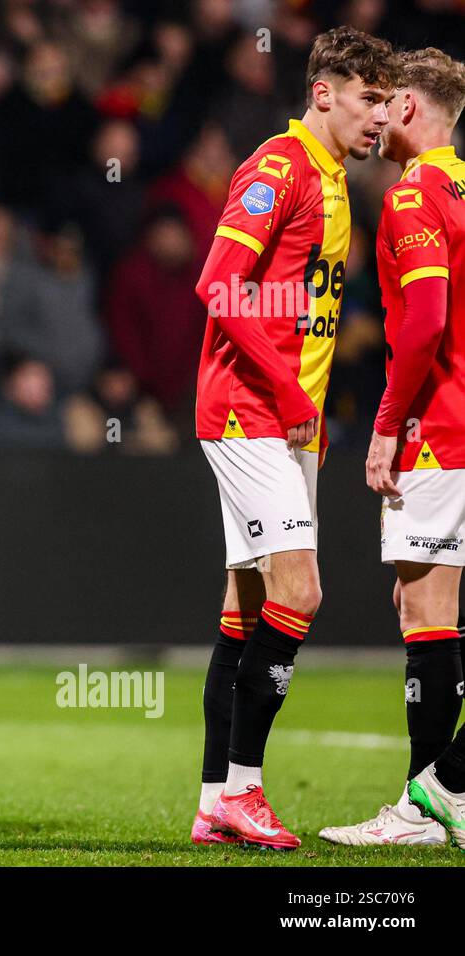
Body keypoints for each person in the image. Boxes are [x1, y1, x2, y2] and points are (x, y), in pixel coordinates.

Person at [190, 26, 400, 850]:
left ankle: (215, 800)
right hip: (249, 412)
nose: (379, 116)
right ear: (324, 92)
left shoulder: (336, 179)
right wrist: (284, 389)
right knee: (301, 591)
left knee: (243, 609)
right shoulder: (279, 167)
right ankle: (245, 788)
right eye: (368, 98)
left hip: (284, 419)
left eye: (386, 101)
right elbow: (217, 284)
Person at [319, 48, 465, 848]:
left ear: (410, 105)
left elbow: (427, 323)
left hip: (441, 429)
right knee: (441, 612)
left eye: (385, 101)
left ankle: (430, 800)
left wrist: (384, 424)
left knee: (425, 608)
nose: (376, 116)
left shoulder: (414, 197)